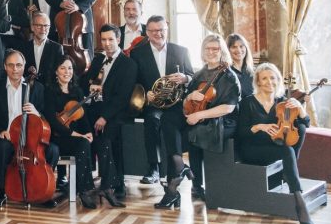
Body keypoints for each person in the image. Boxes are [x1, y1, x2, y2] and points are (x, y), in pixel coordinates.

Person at [236, 62, 314, 224]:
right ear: (258, 82)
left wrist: (300, 108)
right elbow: (240, 133)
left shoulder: (283, 102)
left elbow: (305, 123)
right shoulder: (247, 103)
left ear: (278, 80)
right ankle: (299, 202)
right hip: (252, 149)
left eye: (272, 78)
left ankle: (294, 188)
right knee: (287, 151)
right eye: (264, 78)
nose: (269, 82)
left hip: (274, 146)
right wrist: (259, 127)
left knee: (299, 128)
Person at [128, 15, 193, 186]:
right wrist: (144, 94)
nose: (159, 33)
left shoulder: (181, 51)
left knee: (172, 122)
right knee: (152, 120)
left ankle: (176, 167)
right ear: (147, 33)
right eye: (154, 31)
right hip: (153, 103)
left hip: (176, 104)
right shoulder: (137, 53)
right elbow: (133, 82)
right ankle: (154, 168)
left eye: (162, 30)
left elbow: (193, 77)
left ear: (167, 30)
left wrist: (185, 78)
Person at [176, 35, 239, 206]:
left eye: (215, 49)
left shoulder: (229, 76)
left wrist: (199, 116)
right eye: (207, 49)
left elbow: (228, 108)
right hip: (201, 119)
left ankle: (208, 186)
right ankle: (193, 182)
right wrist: (189, 96)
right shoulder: (199, 74)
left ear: (221, 52)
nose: (210, 52)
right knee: (177, 130)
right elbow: (185, 101)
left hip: (223, 121)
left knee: (196, 133)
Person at [82, 24, 136, 204]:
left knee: (109, 135)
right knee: (82, 132)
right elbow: (85, 82)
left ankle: (115, 183)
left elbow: (122, 97)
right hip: (95, 109)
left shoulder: (128, 64)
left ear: (118, 40)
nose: (107, 44)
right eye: (103, 40)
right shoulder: (98, 60)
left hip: (116, 113)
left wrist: (104, 117)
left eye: (110, 39)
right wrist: (89, 85)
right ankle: (86, 183)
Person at [0, 48, 49, 209]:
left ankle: (43, 191)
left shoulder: (37, 88)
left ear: (24, 66)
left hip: (31, 138)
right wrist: (0, 131)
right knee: (1, 149)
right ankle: (2, 191)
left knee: (53, 151)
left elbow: (46, 116)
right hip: (8, 137)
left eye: (18, 65)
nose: (15, 69)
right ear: (4, 67)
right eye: (11, 65)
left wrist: (37, 113)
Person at [45, 56, 97, 208]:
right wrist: (75, 134)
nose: (66, 72)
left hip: (73, 138)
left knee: (84, 143)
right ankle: (84, 190)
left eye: (69, 68)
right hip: (56, 138)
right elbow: (52, 121)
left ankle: (83, 190)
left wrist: (88, 132)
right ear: (56, 71)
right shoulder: (49, 91)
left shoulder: (77, 91)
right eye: (62, 68)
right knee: (82, 143)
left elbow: (83, 116)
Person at [23, 11, 63, 85]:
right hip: (30, 91)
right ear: (32, 27)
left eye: (46, 26)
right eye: (39, 25)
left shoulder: (57, 48)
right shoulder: (23, 47)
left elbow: (59, 75)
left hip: (49, 91)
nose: (43, 29)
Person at [227, 33, 255, 98]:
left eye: (241, 46)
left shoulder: (254, 71)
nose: (239, 50)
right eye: (234, 47)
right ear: (228, 50)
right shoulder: (225, 73)